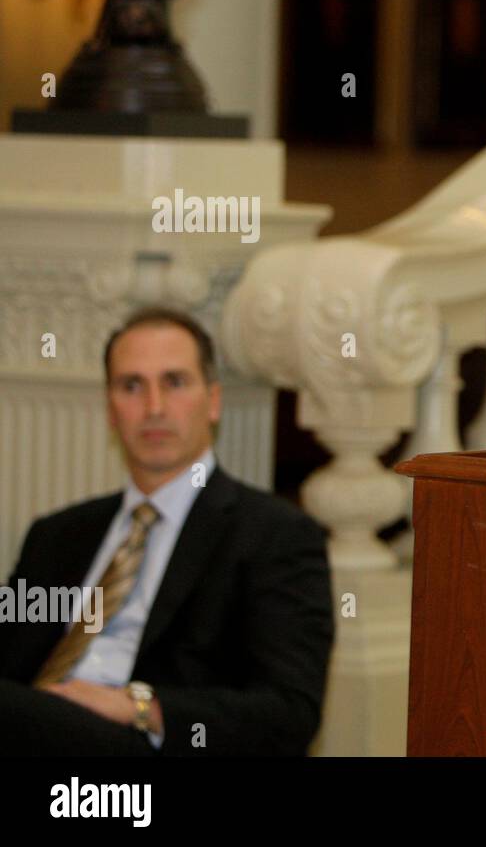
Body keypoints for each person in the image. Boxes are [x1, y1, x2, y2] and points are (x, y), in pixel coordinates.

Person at [0, 307, 334, 756]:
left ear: (213, 401)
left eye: (174, 382)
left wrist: (141, 707)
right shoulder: (57, 535)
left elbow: (289, 712)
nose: (154, 407)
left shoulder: (277, 536)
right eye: (131, 386)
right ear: (111, 409)